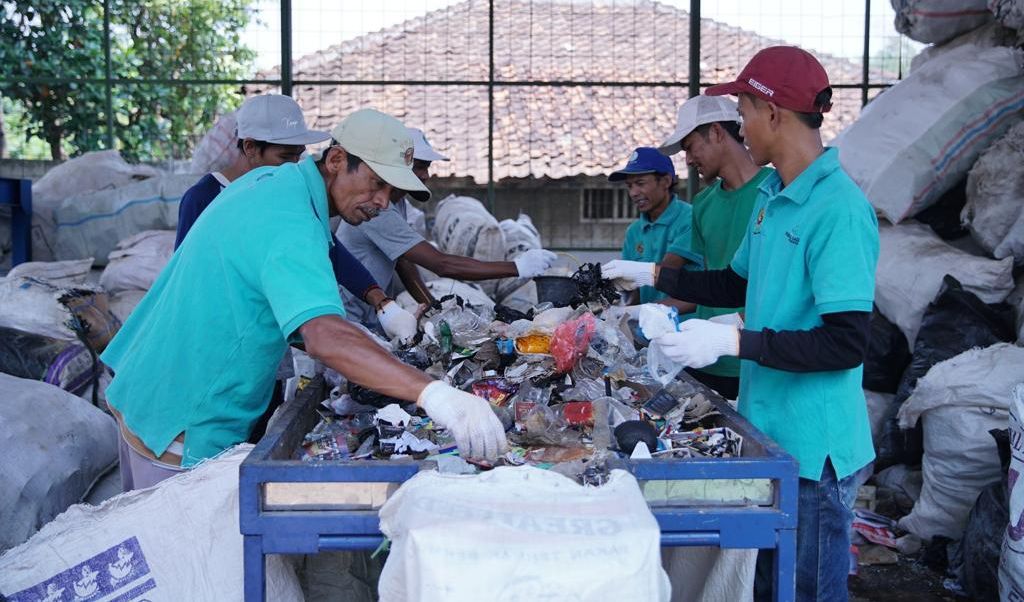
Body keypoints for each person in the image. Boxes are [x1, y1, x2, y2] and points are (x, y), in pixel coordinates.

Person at [102, 108, 507, 491]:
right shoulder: (289, 219)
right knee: (181, 539)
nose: (383, 202)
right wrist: (434, 394)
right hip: (182, 413)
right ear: (336, 160)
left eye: (392, 191)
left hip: (152, 387)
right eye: (376, 183)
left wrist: (368, 340)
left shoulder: (279, 187)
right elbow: (322, 336)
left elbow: (273, 299)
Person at [603, 46, 878, 602]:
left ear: (772, 113)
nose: (740, 125)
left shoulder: (839, 208)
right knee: (767, 587)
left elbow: (846, 343)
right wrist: (652, 276)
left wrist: (733, 340)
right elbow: (734, 283)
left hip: (816, 450)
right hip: (768, 431)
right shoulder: (771, 197)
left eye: (744, 111)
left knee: (807, 591)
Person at [176, 94, 418, 344]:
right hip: (223, 337)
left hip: (267, 339)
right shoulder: (204, 198)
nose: (293, 165)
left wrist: (381, 301)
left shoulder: (290, 199)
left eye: (297, 156)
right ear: (250, 148)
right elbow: (188, 278)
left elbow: (331, 251)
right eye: (285, 157)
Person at [335, 127, 557, 330]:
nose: (426, 175)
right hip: (348, 316)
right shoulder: (377, 210)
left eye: (427, 167)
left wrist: (431, 307)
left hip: (369, 314)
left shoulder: (396, 204)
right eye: (419, 166)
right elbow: (442, 264)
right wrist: (517, 267)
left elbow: (404, 261)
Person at [655, 95, 773, 400]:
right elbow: (712, 284)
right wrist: (657, 310)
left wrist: (735, 325)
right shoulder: (703, 204)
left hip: (753, 356)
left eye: (690, 147)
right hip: (703, 357)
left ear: (717, 133)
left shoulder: (774, 193)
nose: (688, 160)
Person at [608, 147, 702, 313]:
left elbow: (666, 269)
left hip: (686, 323)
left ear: (666, 181)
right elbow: (635, 290)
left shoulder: (689, 219)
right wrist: (623, 314)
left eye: (640, 183)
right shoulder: (634, 231)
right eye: (629, 186)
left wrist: (638, 312)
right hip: (648, 324)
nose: (633, 193)